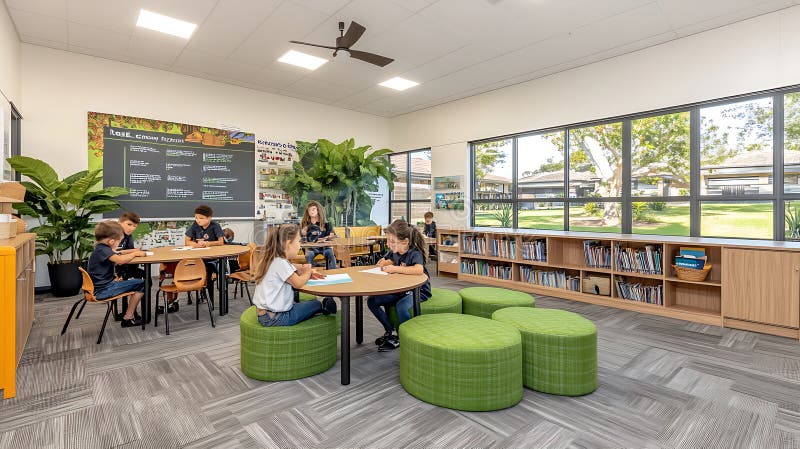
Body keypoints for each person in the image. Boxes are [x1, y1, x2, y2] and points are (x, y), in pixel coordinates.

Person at [252, 223, 337, 326]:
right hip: (277, 317)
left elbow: (293, 269)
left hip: (266, 314)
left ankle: (319, 309)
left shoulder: (273, 259)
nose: (300, 245)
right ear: (289, 243)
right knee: (316, 304)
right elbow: (298, 283)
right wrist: (309, 272)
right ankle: (323, 308)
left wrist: (304, 269)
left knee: (306, 305)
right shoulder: (280, 263)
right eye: (298, 241)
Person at [368, 219, 432, 351]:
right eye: (388, 241)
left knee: (401, 306)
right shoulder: (395, 251)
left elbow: (418, 270)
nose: (388, 244)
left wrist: (395, 269)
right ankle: (390, 330)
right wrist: (383, 263)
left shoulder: (414, 253)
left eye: (392, 241)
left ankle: (406, 337)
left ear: (405, 242)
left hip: (418, 290)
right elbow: (390, 260)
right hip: (400, 289)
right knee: (372, 301)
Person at [87, 220, 146, 328]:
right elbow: (120, 260)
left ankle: (129, 314)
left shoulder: (101, 248)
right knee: (143, 284)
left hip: (99, 288)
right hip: (103, 291)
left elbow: (120, 252)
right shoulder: (104, 251)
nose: (120, 245)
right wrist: (136, 254)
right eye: (119, 242)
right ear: (111, 241)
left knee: (135, 282)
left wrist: (133, 250)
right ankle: (128, 318)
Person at [185, 205, 225, 305]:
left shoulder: (215, 226)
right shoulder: (195, 225)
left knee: (209, 272)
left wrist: (208, 243)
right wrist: (196, 245)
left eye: (201, 218)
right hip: (199, 258)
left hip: (212, 258)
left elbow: (221, 242)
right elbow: (187, 241)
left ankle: (209, 297)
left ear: (209, 218)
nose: (198, 220)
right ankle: (201, 292)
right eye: (196, 218)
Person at [113, 211, 146, 320]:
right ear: (120, 222)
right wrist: (134, 252)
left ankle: (131, 309)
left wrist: (134, 251)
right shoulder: (113, 235)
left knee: (145, 276)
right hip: (114, 272)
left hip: (125, 267)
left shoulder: (128, 236)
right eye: (129, 224)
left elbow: (124, 252)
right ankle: (129, 313)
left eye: (135, 226)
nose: (132, 228)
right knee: (142, 281)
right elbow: (115, 256)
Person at [301, 201, 337, 270]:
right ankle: (311, 271)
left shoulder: (326, 224)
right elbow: (302, 238)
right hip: (311, 249)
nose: (311, 211)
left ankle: (332, 271)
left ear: (318, 210)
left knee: (330, 252)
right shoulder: (305, 224)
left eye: (313, 209)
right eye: (309, 210)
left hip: (324, 247)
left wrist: (325, 239)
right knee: (309, 255)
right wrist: (304, 238)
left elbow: (333, 235)